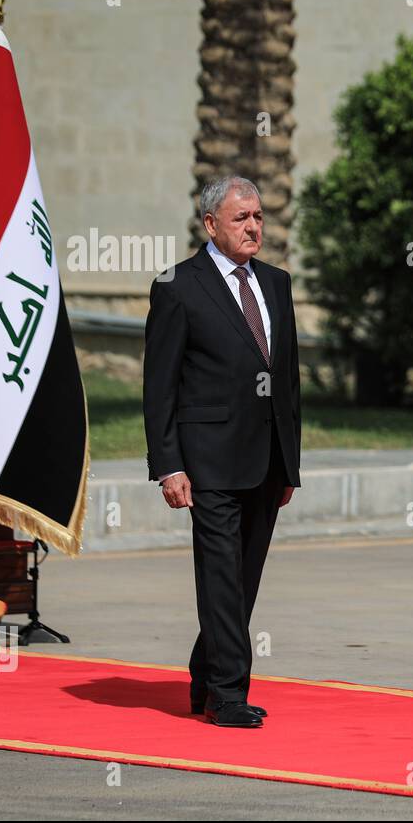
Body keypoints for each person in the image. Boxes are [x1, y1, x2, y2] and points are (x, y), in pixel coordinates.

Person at [143, 175, 301, 728]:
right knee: (220, 576)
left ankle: (204, 671)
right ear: (211, 224)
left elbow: (288, 381)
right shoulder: (178, 286)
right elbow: (158, 385)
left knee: (244, 578)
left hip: (266, 460)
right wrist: (168, 464)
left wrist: (290, 463)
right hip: (207, 460)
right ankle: (228, 695)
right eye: (241, 218)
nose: (254, 226)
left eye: (258, 216)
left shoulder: (277, 285)